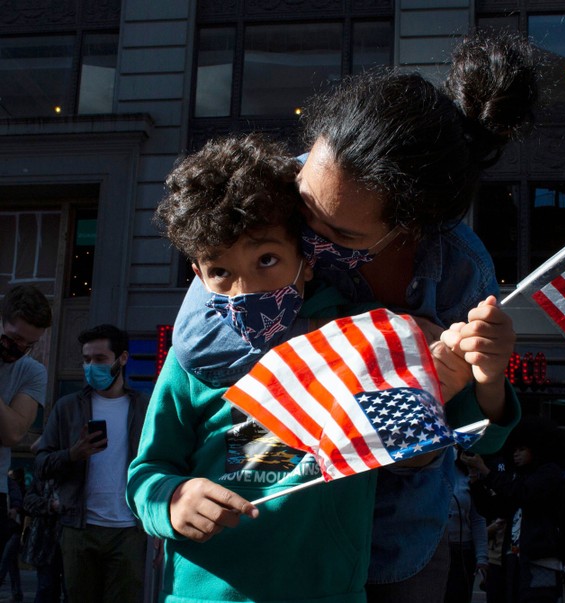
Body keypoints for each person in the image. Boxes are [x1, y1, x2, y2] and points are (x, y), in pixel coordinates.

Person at [168, 29, 539, 603]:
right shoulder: (269, 197)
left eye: (340, 233)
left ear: (410, 225)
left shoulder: (461, 269)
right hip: (287, 538)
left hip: (396, 541)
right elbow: (202, 347)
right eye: (305, 209)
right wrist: (392, 346)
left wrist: (485, 381)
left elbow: (480, 440)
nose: (308, 236)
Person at [127, 133, 508, 602]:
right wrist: (171, 500)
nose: (246, 290)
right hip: (201, 592)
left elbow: (448, 442)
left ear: (307, 261)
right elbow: (148, 470)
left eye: (267, 259)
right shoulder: (191, 361)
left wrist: (458, 386)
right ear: (198, 276)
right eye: (220, 272)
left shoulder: (369, 340)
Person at [34, 324, 149, 603]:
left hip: (129, 530)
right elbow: (40, 464)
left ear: (121, 358)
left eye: (99, 359)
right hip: (79, 527)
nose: (91, 366)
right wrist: (72, 454)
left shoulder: (144, 408)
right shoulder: (68, 406)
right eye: (86, 360)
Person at [464, 416, 565, 603]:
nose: (516, 454)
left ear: (536, 448)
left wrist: (487, 472)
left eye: (522, 449)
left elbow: (522, 492)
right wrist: (475, 481)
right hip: (515, 561)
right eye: (514, 449)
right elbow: (495, 507)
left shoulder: (548, 474)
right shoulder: (521, 478)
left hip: (540, 561)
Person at [0, 285, 52, 548]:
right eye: (14, 337)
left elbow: (13, 433)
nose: (19, 348)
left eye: (29, 344)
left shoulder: (32, 372)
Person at [22, 440, 66, 603]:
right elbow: (28, 501)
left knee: (71, 589)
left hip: (70, 539)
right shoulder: (44, 476)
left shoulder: (77, 473)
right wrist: (50, 505)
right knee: (46, 588)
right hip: (46, 541)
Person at [445, 449, 489, 603]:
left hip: (463, 552)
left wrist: (482, 557)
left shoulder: (467, 475)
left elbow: (478, 519)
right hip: (437, 551)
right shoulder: (432, 474)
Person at [0, 468, 25, 601]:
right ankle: (17, 594)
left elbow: (17, 501)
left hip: (11, 529)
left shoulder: (8, 483)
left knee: (5, 562)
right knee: (11, 563)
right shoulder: (8, 483)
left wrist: (14, 509)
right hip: (10, 528)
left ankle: (17, 594)